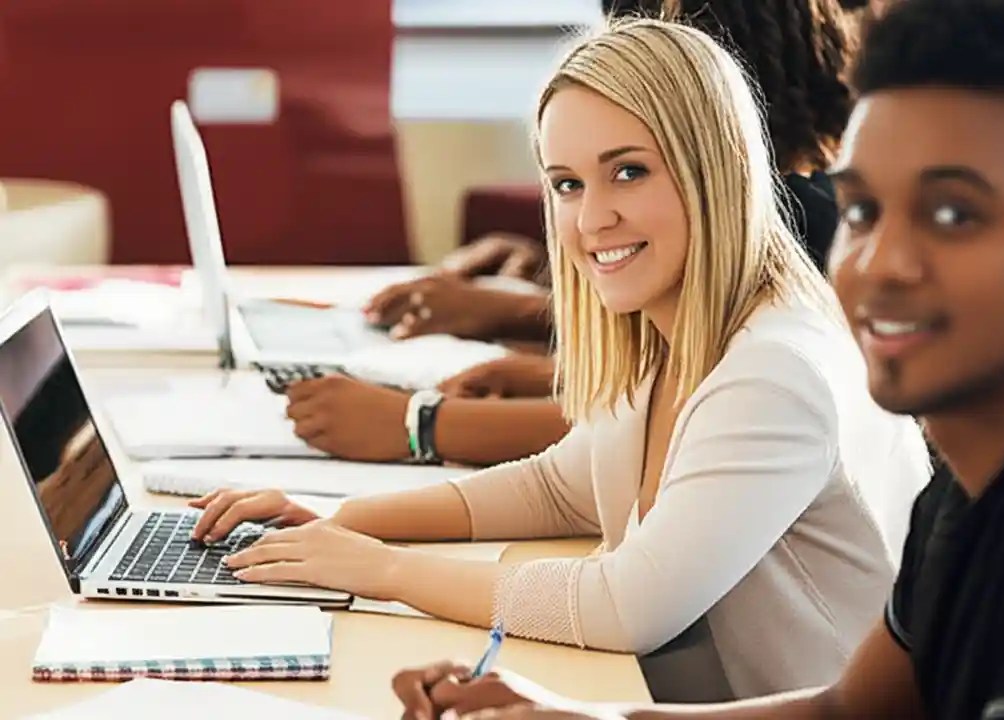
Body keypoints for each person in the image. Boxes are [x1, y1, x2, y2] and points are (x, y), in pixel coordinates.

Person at [392, 0, 1004, 718]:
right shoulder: (977, 476)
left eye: (950, 214)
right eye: (860, 213)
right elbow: (845, 710)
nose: (878, 266)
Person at [194, 18, 931, 703]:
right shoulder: (667, 329)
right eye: (567, 184)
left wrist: (382, 572)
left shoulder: (776, 371)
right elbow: (560, 487)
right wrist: (340, 522)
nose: (590, 218)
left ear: (716, 168)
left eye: (629, 172)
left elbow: (626, 607)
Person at [284, 0, 870, 468]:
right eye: (566, 185)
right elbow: (658, 381)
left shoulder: (798, 218)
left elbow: (689, 423)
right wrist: (535, 300)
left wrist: (420, 424)